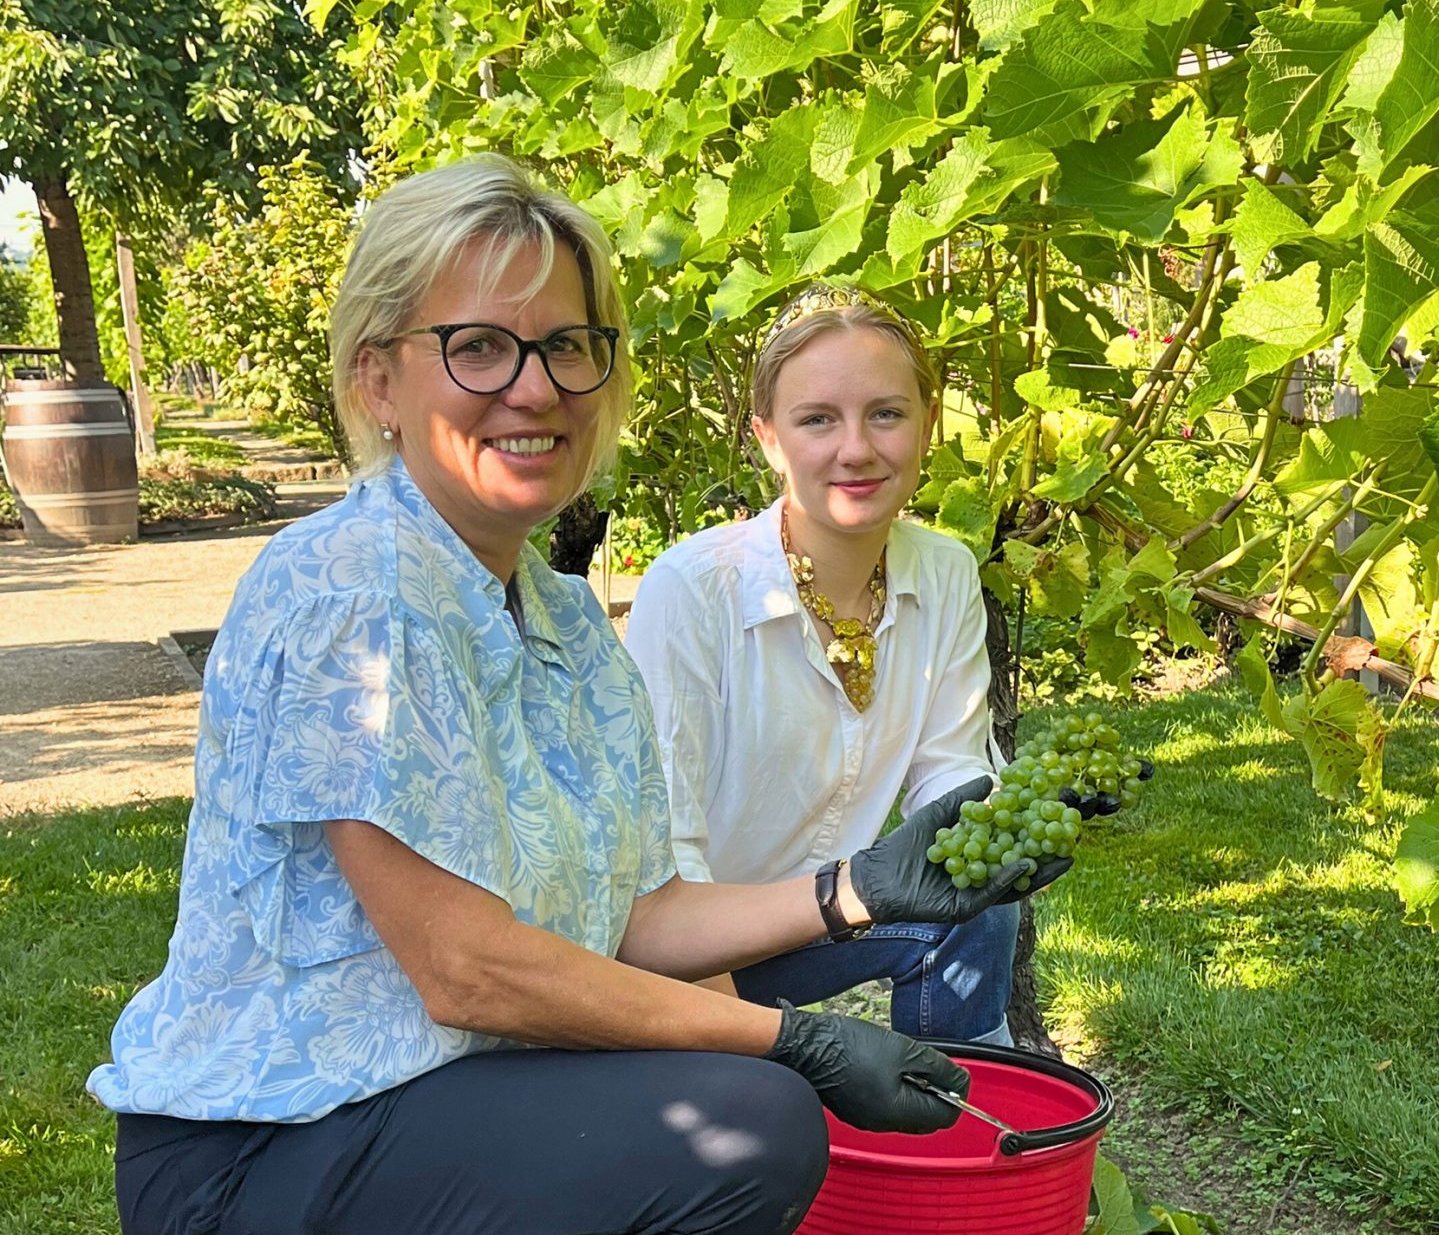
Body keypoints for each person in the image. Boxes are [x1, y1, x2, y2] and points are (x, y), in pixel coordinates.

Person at [87, 157, 1038, 1235]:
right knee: (746, 1124)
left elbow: (641, 917)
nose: (535, 389)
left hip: (441, 1094)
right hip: (267, 1143)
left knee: (743, 1111)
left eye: (567, 346)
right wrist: (792, 1041)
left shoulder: (563, 617)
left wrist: (857, 889)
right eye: (478, 346)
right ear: (378, 381)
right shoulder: (349, 586)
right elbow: (466, 970)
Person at [626, 285, 1068, 1048]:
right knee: (766, 1104)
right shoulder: (693, 591)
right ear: (768, 439)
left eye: (886, 413)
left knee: (978, 900)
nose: (856, 449)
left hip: (821, 920)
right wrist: (757, 1052)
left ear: (928, 423)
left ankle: (960, 1100)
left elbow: (951, 778)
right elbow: (663, 875)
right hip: (672, 951)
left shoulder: (944, 572)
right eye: (818, 419)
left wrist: (1017, 820)